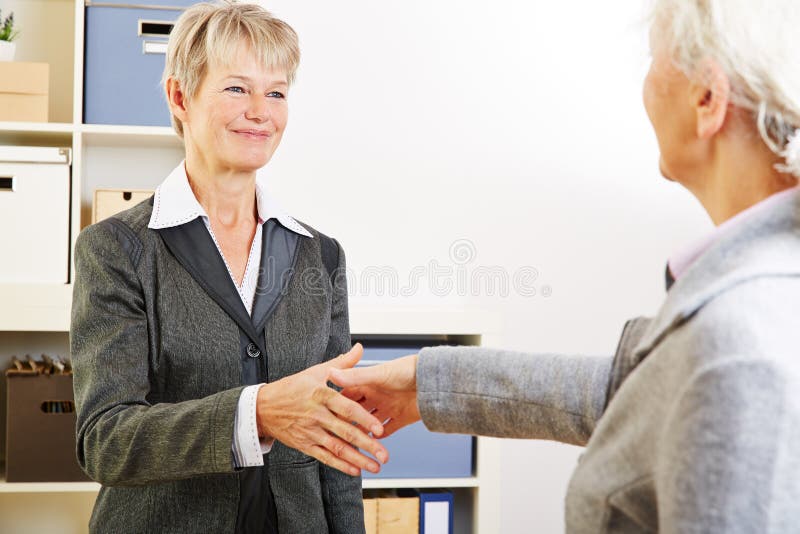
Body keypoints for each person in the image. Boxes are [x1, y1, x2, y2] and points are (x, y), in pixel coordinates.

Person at [331, 1, 800, 532]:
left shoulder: (742, 343)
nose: (644, 86)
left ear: (708, 98)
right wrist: (424, 380)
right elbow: (635, 396)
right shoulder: (751, 295)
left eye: (653, 58)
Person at [70, 2, 386, 533]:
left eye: (277, 92)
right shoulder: (115, 249)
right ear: (180, 97)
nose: (261, 110)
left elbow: (338, 443)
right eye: (237, 88)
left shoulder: (321, 255)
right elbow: (106, 440)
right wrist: (255, 413)